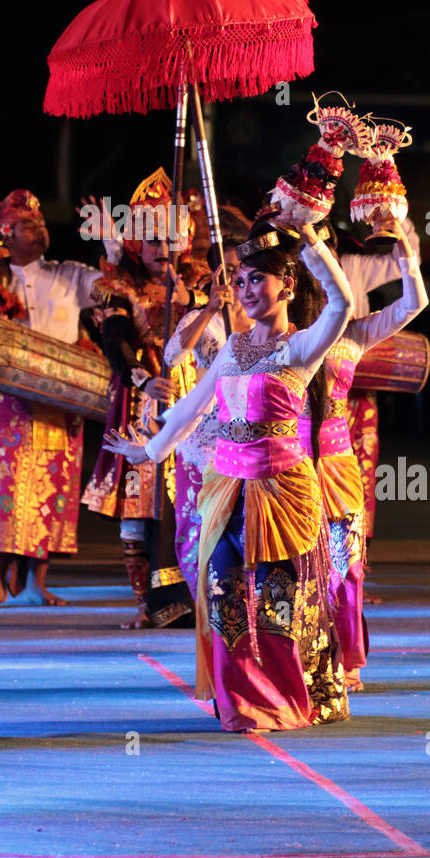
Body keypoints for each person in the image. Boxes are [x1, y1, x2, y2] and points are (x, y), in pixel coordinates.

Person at [103, 217, 353, 732]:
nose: (245, 289)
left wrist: (308, 240)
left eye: (257, 278)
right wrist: (149, 450)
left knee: (277, 606)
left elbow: (343, 304)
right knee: (223, 596)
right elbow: (194, 406)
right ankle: (240, 704)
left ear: (287, 283)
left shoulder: (301, 347)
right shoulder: (236, 348)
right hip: (226, 491)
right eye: (240, 280)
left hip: (282, 494)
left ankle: (283, 700)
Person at [0, 189, 109, 606]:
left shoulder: (69, 274)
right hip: (7, 402)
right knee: (4, 486)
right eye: (29, 224)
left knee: (53, 485)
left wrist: (108, 237)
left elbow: (111, 288)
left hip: (61, 399)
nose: (41, 229)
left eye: (42, 223)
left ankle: (37, 583)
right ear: (7, 234)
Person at [294, 221, 427, 690]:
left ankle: (346, 658)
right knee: (294, 566)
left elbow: (414, 304)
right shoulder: (282, 337)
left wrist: (405, 248)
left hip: (337, 464)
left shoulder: (353, 333)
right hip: (288, 468)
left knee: (345, 564)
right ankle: (298, 656)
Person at [81, 169, 206, 629]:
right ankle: (148, 604)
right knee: (140, 506)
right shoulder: (115, 284)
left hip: (193, 402)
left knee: (192, 501)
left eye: (170, 239)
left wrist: (189, 295)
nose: (161, 249)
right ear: (136, 243)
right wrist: (142, 379)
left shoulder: (202, 282)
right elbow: (114, 339)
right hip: (142, 401)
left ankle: (199, 597)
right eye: (152, 240)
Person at [163, 218, 252, 598]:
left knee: (240, 531)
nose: (235, 280)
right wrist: (208, 309)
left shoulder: (264, 320)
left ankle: (238, 610)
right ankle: (207, 607)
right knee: (196, 528)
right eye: (228, 271)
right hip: (204, 441)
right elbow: (172, 355)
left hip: (247, 441)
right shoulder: (204, 319)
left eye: (242, 272)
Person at [333, 216, 420, 543]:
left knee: (362, 468)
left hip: (355, 383)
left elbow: (409, 269)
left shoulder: (352, 264)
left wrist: (395, 217)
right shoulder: (294, 270)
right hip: (309, 389)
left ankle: (356, 564)